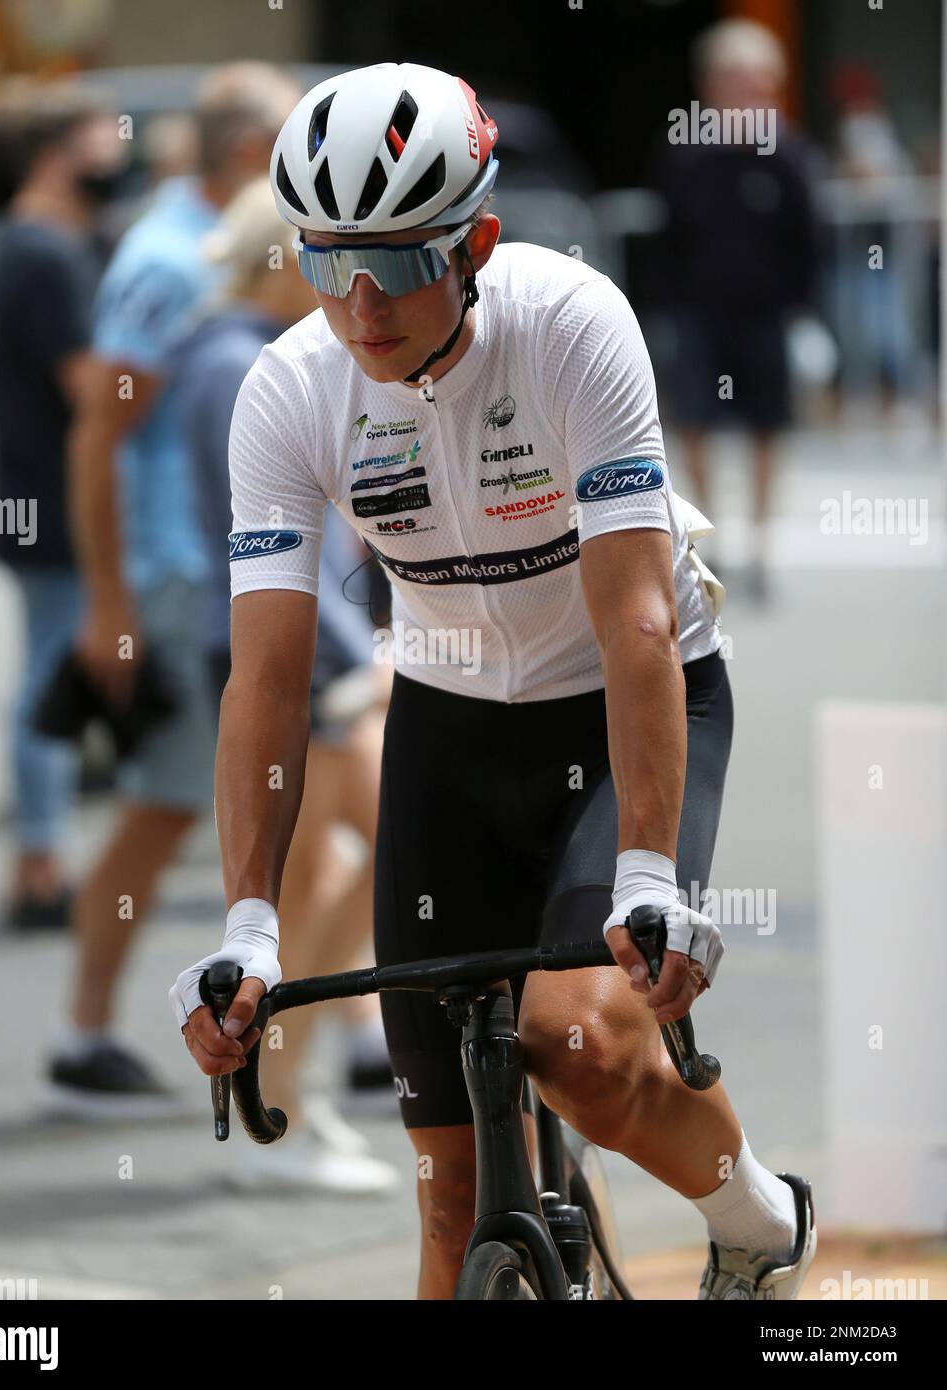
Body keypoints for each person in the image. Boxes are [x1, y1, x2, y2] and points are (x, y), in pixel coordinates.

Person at [170, 61, 817, 1300]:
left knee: (575, 1045)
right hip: (448, 725)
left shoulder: (570, 322)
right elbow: (266, 675)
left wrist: (642, 874)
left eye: (400, 263)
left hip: (626, 698)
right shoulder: (288, 391)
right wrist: (247, 923)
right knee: (451, 1200)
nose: (360, 305)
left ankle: (757, 1214)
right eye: (325, 261)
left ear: (477, 241)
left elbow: (633, 611)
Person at [47, 63, 299, 1115]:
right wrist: (111, 601)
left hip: (210, 568)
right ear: (249, 151)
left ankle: (354, 1037)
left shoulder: (204, 242)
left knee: (286, 804)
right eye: (292, 140)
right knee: (163, 806)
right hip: (180, 575)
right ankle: (86, 1034)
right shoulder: (167, 259)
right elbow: (99, 437)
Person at [170, 178, 397, 1190]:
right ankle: (286, 1098)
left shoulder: (235, 355)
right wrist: (359, 662)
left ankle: (286, 1099)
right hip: (303, 676)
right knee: (376, 861)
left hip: (312, 667)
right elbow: (271, 550)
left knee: (328, 880)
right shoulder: (243, 363)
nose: (350, 289)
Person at [0, 78, 127, 930]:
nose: (116, 150)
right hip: (52, 497)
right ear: (53, 153)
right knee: (48, 673)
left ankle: (43, 856)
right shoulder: (45, 252)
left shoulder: (39, 245)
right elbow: (89, 388)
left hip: (35, 492)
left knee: (53, 667)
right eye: (100, 135)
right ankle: (39, 864)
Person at [649, 19, 822, 601]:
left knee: (767, 429)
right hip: (698, 317)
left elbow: (808, 243)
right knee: (694, 423)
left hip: (767, 317)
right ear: (712, 84)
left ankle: (763, 544)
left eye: (758, 82)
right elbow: (666, 239)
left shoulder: (789, 154)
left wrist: (807, 317)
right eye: (736, 80)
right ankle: (708, 541)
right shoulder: (684, 150)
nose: (748, 92)